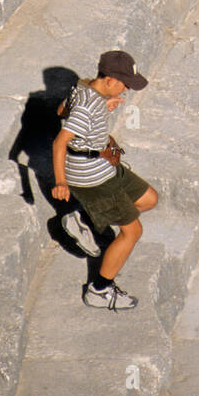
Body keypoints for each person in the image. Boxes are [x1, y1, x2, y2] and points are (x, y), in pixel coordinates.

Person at [51, 50, 158, 310]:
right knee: (132, 232)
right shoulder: (89, 105)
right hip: (93, 177)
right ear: (109, 79)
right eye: (124, 85)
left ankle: (84, 220)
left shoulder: (84, 87)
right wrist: (61, 183)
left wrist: (103, 104)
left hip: (104, 163)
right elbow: (59, 143)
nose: (126, 91)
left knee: (148, 199)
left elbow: (61, 109)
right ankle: (99, 289)